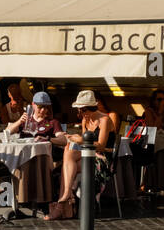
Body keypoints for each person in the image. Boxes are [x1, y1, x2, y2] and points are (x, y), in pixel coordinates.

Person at [46, 90, 116, 220]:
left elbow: (101, 145)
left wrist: (80, 140)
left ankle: (62, 203)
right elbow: (84, 146)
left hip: (103, 159)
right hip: (89, 156)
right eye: (79, 111)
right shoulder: (85, 120)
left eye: (82, 111)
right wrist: (73, 139)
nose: (79, 114)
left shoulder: (104, 120)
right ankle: (66, 196)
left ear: (89, 108)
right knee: (68, 152)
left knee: (66, 162)